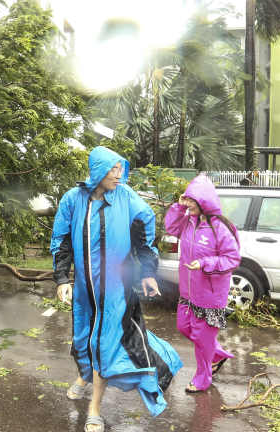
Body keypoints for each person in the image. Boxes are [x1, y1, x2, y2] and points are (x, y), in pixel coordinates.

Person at [50, 146, 183, 432]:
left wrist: (147, 273)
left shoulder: (126, 198)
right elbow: (61, 240)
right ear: (98, 170)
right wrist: (62, 279)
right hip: (85, 292)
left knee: (105, 345)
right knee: (83, 340)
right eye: (113, 169)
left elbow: (144, 235)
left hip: (115, 291)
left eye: (120, 168)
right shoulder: (73, 200)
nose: (119, 174)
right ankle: (84, 377)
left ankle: (94, 408)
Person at [164, 175, 240, 393]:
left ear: (204, 202)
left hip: (210, 297)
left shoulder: (221, 228)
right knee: (184, 327)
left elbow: (232, 259)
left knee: (203, 338)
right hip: (188, 293)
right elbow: (171, 228)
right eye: (186, 199)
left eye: (191, 201)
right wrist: (179, 207)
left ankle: (203, 378)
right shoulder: (187, 222)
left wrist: (205, 263)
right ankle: (215, 353)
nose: (188, 204)